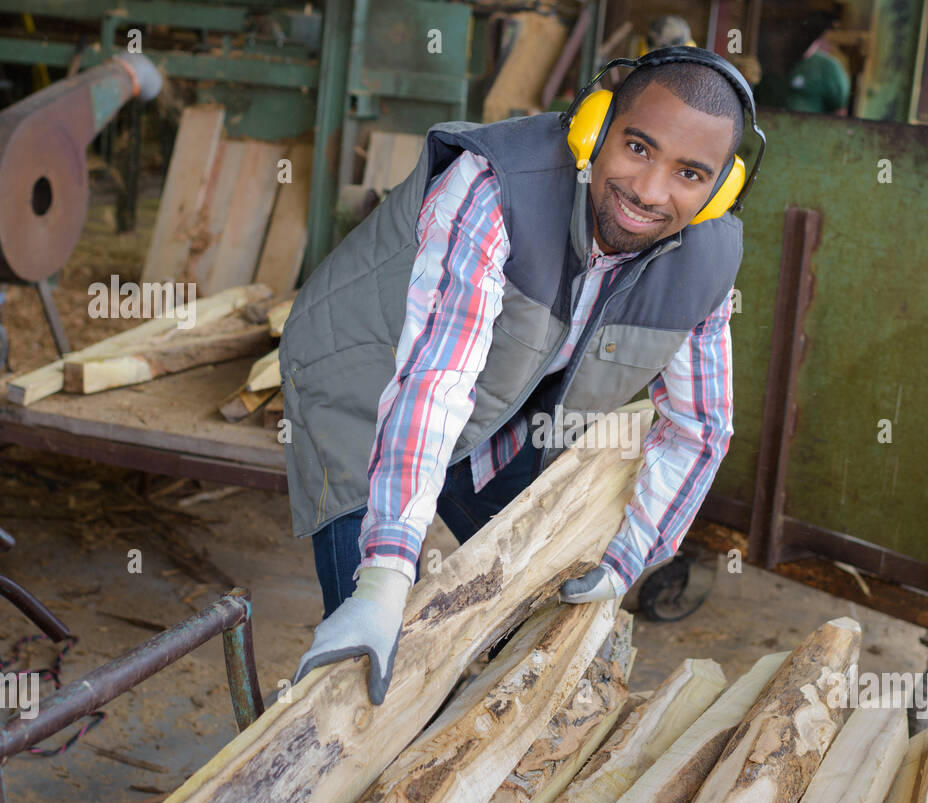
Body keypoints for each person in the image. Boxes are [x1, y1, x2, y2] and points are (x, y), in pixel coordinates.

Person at [280, 48, 761, 704]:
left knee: (525, 601)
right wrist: (385, 580)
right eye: (639, 147)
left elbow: (701, 426)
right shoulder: (494, 184)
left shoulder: (707, 256)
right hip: (366, 369)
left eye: (689, 172)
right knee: (373, 656)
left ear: (720, 189)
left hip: (500, 387)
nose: (650, 190)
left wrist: (631, 556)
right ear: (595, 125)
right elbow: (436, 378)